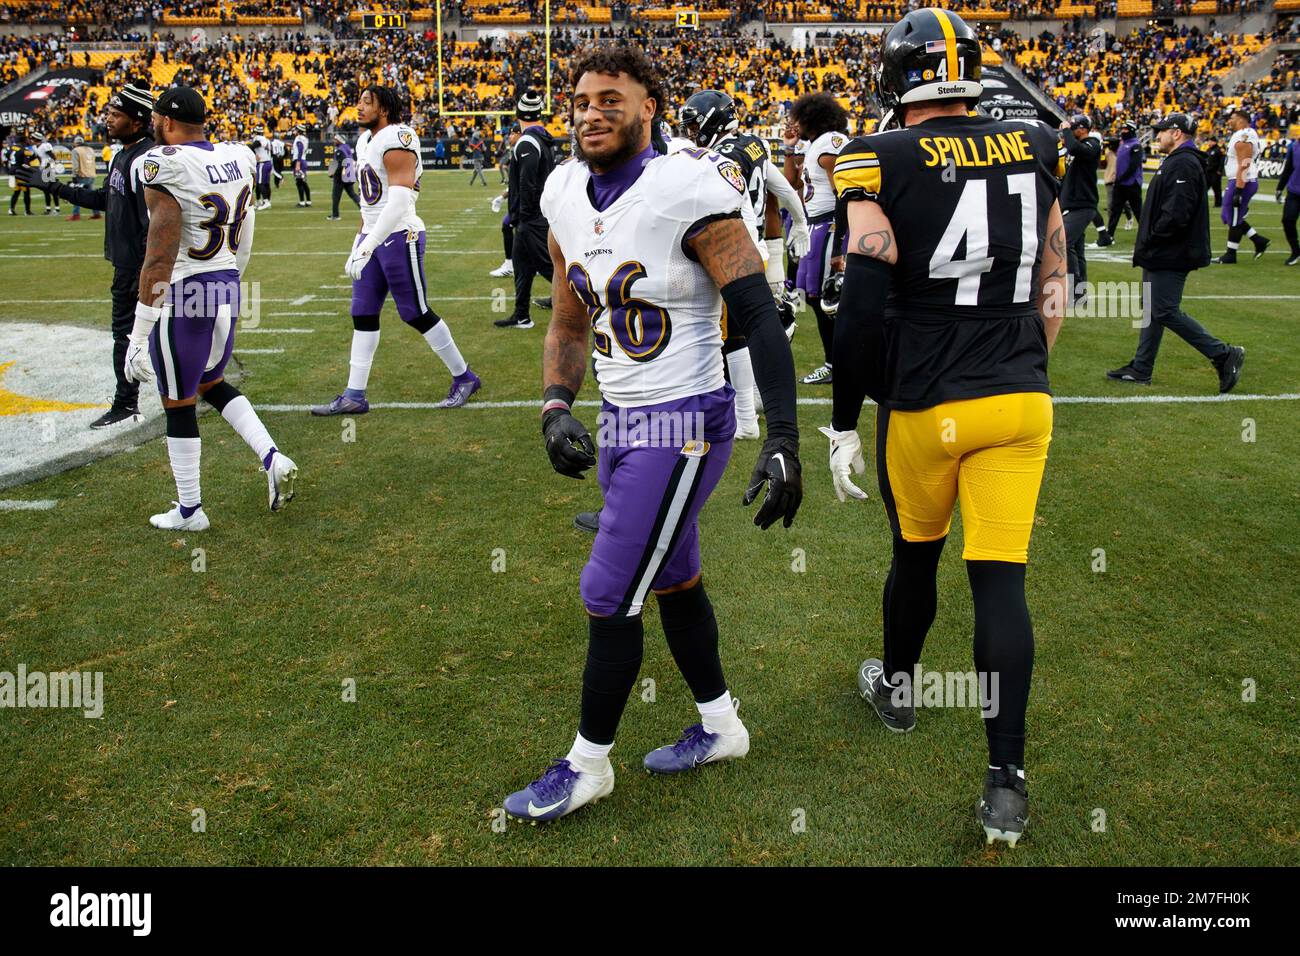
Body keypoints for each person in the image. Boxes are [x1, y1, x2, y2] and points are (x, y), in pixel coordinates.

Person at [502, 43, 802, 824]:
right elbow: (570, 316)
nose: (592, 111)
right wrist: (554, 402)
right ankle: (722, 724)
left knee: (608, 591)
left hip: (684, 417)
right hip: (623, 415)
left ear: (649, 108)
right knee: (673, 579)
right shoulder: (564, 189)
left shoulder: (685, 186)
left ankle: (587, 766)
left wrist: (785, 433)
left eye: (612, 98)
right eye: (581, 99)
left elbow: (760, 311)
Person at [824, 8, 1068, 848]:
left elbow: (860, 302)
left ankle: (899, 688)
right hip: (1018, 395)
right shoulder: (1036, 141)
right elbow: (1055, 279)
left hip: (925, 401)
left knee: (915, 556)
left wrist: (843, 418)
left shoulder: (876, 153)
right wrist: (1027, 366)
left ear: (899, 75)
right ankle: (1006, 781)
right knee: (1001, 581)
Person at [124, 86, 297, 530]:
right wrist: (231, 279)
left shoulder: (164, 164)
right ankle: (272, 457)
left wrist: (138, 335)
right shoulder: (238, 156)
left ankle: (189, 511)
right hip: (224, 284)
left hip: (185, 290)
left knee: (177, 402)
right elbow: (249, 224)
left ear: (164, 121)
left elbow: (159, 257)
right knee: (211, 382)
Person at [310, 85, 480, 415]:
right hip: (373, 235)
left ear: (384, 108)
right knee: (362, 312)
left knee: (414, 312)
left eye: (366, 102)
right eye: (358, 100)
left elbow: (399, 201)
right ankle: (354, 394)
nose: (358, 107)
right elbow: (369, 202)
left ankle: (464, 377)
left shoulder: (398, 137)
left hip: (402, 235)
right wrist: (357, 244)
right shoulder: (363, 140)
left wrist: (370, 243)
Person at [17, 83, 157, 428]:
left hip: (138, 267)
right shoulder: (124, 153)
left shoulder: (145, 159)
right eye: (108, 112)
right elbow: (104, 201)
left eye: (116, 114)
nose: (107, 119)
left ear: (137, 121)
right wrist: (50, 185)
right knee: (140, 335)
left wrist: (143, 270)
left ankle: (126, 405)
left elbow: (152, 224)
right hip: (131, 264)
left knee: (125, 335)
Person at [680, 89, 810, 440]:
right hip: (753, 248)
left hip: (732, 247)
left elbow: (730, 207)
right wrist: (798, 222)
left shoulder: (716, 158)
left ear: (712, 120)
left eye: (694, 126)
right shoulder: (752, 144)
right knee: (747, 326)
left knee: (733, 333)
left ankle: (745, 417)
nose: (691, 134)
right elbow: (780, 187)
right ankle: (750, 400)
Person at [1107, 114, 1245, 391]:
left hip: (1170, 251)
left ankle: (1223, 353)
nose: (1157, 137)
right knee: (1151, 310)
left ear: (1177, 133)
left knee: (1164, 310)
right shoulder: (1177, 160)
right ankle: (1141, 367)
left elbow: (1177, 212)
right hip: (1161, 249)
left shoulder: (1183, 162)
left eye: (1161, 132)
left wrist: (1154, 237)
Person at [782, 92, 850, 385]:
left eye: (798, 117)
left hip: (830, 226)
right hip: (814, 227)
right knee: (814, 297)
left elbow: (843, 192)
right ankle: (835, 362)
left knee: (830, 299)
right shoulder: (813, 145)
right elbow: (792, 184)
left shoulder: (830, 142)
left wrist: (839, 244)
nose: (793, 123)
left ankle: (839, 364)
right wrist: (789, 149)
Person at [494, 91, 556, 330]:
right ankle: (521, 316)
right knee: (522, 267)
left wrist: (522, 216)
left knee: (550, 269)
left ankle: (586, 308)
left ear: (518, 113)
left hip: (532, 219)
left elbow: (527, 184)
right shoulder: (542, 139)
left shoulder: (528, 142)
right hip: (535, 216)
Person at [1215, 108, 1270, 263]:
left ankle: (1230, 254)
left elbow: (1244, 163)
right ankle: (1258, 240)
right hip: (1239, 179)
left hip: (1243, 180)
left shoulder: (1244, 135)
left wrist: (1239, 189)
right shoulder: (1240, 134)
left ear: (1240, 120)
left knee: (1233, 216)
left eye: (1232, 118)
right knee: (1229, 215)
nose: (1229, 121)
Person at [1058, 114, 1102, 304]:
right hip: (1074, 204)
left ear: (1083, 128)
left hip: (1082, 205)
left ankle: (1073, 291)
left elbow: (1075, 148)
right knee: (1077, 249)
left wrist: (1066, 130)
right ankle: (1080, 294)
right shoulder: (1081, 147)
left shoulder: (1092, 144)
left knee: (1063, 243)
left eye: (1074, 128)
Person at [1100, 121, 1142, 244]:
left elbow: (1133, 165)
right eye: (1122, 129)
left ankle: (1146, 235)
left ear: (1131, 130)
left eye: (1125, 129)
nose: (1123, 131)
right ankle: (1110, 235)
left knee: (1138, 211)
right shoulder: (1123, 144)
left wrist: (1122, 177)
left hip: (1132, 183)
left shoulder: (1136, 145)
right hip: (1121, 184)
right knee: (1115, 210)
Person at [325, 132, 359, 220]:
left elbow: (341, 163)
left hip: (342, 175)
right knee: (352, 194)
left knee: (335, 196)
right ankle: (364, 209)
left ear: (339, 140)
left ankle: (335, 215)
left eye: (336, 139)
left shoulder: (340, 150)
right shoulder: (346, 147)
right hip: (349, 173)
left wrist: (333, 173)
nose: (334, 141)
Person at [1278, 135, 1299, 266]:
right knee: (1287, 220)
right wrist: (1279, 187)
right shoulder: (1294, 146)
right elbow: (1289, 168)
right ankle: (1296, 251)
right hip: (1294, 191)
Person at [67, 134, 99, 221]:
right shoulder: (90, 149)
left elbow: (75, 166)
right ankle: (96, 213)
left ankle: (76, 215)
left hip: (82, 176)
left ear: (75, 143)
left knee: (76, 195)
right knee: (92, 196)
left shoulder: (76, 150)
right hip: (91, 174)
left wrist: (74, 176)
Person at [7, 131, 35, 216]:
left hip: (12, 171)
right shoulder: (24, 150)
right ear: (23, 141)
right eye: (26, 140)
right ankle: (27, 211)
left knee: (16, 191)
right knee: (26, 192)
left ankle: (11, 210)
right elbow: (26, 163)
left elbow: (8, 155)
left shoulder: (12, 147)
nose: (27, 141)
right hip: (20, 172)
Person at [33, 133, 60, 215]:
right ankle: (48, 208)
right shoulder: (35, 147)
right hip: (44, 168)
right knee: (45, 189)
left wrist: (52, 166)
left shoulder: (45, 145)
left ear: (35, 139)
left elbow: (53, 156)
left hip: (48, 168)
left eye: (32, 138)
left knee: (52, 188)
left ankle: (57, 209)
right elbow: (39, 157)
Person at [250, 128, 273, 209]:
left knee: (260, 183)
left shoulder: (259, 138)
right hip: (268, 162)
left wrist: (254, 154)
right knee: (266, 183)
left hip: (262, 163)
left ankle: (266, 201)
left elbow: (253, 146)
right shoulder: (266, 139)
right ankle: (267, 201)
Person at [291, 124, 311, 207]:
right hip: (303, 160)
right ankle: (308, 201)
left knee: (299, 182)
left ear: (298, 131)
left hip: (299, 161)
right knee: (303, 182)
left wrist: (298, 163)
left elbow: (300, 149)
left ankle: (302, 201)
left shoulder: (299, 138)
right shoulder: (305, 139)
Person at [1204, 135, 1225, 207]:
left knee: (1216, 189)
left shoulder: (1219, 150)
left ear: (1214, 142)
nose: (1208, 142)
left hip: (1215, 172)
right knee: (1204, 188)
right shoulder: (1208, 150)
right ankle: (1202, 203)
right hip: (1207, 172)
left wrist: (1220, 170)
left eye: (1209, 141)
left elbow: (1222, 160)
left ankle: (1218, 204)